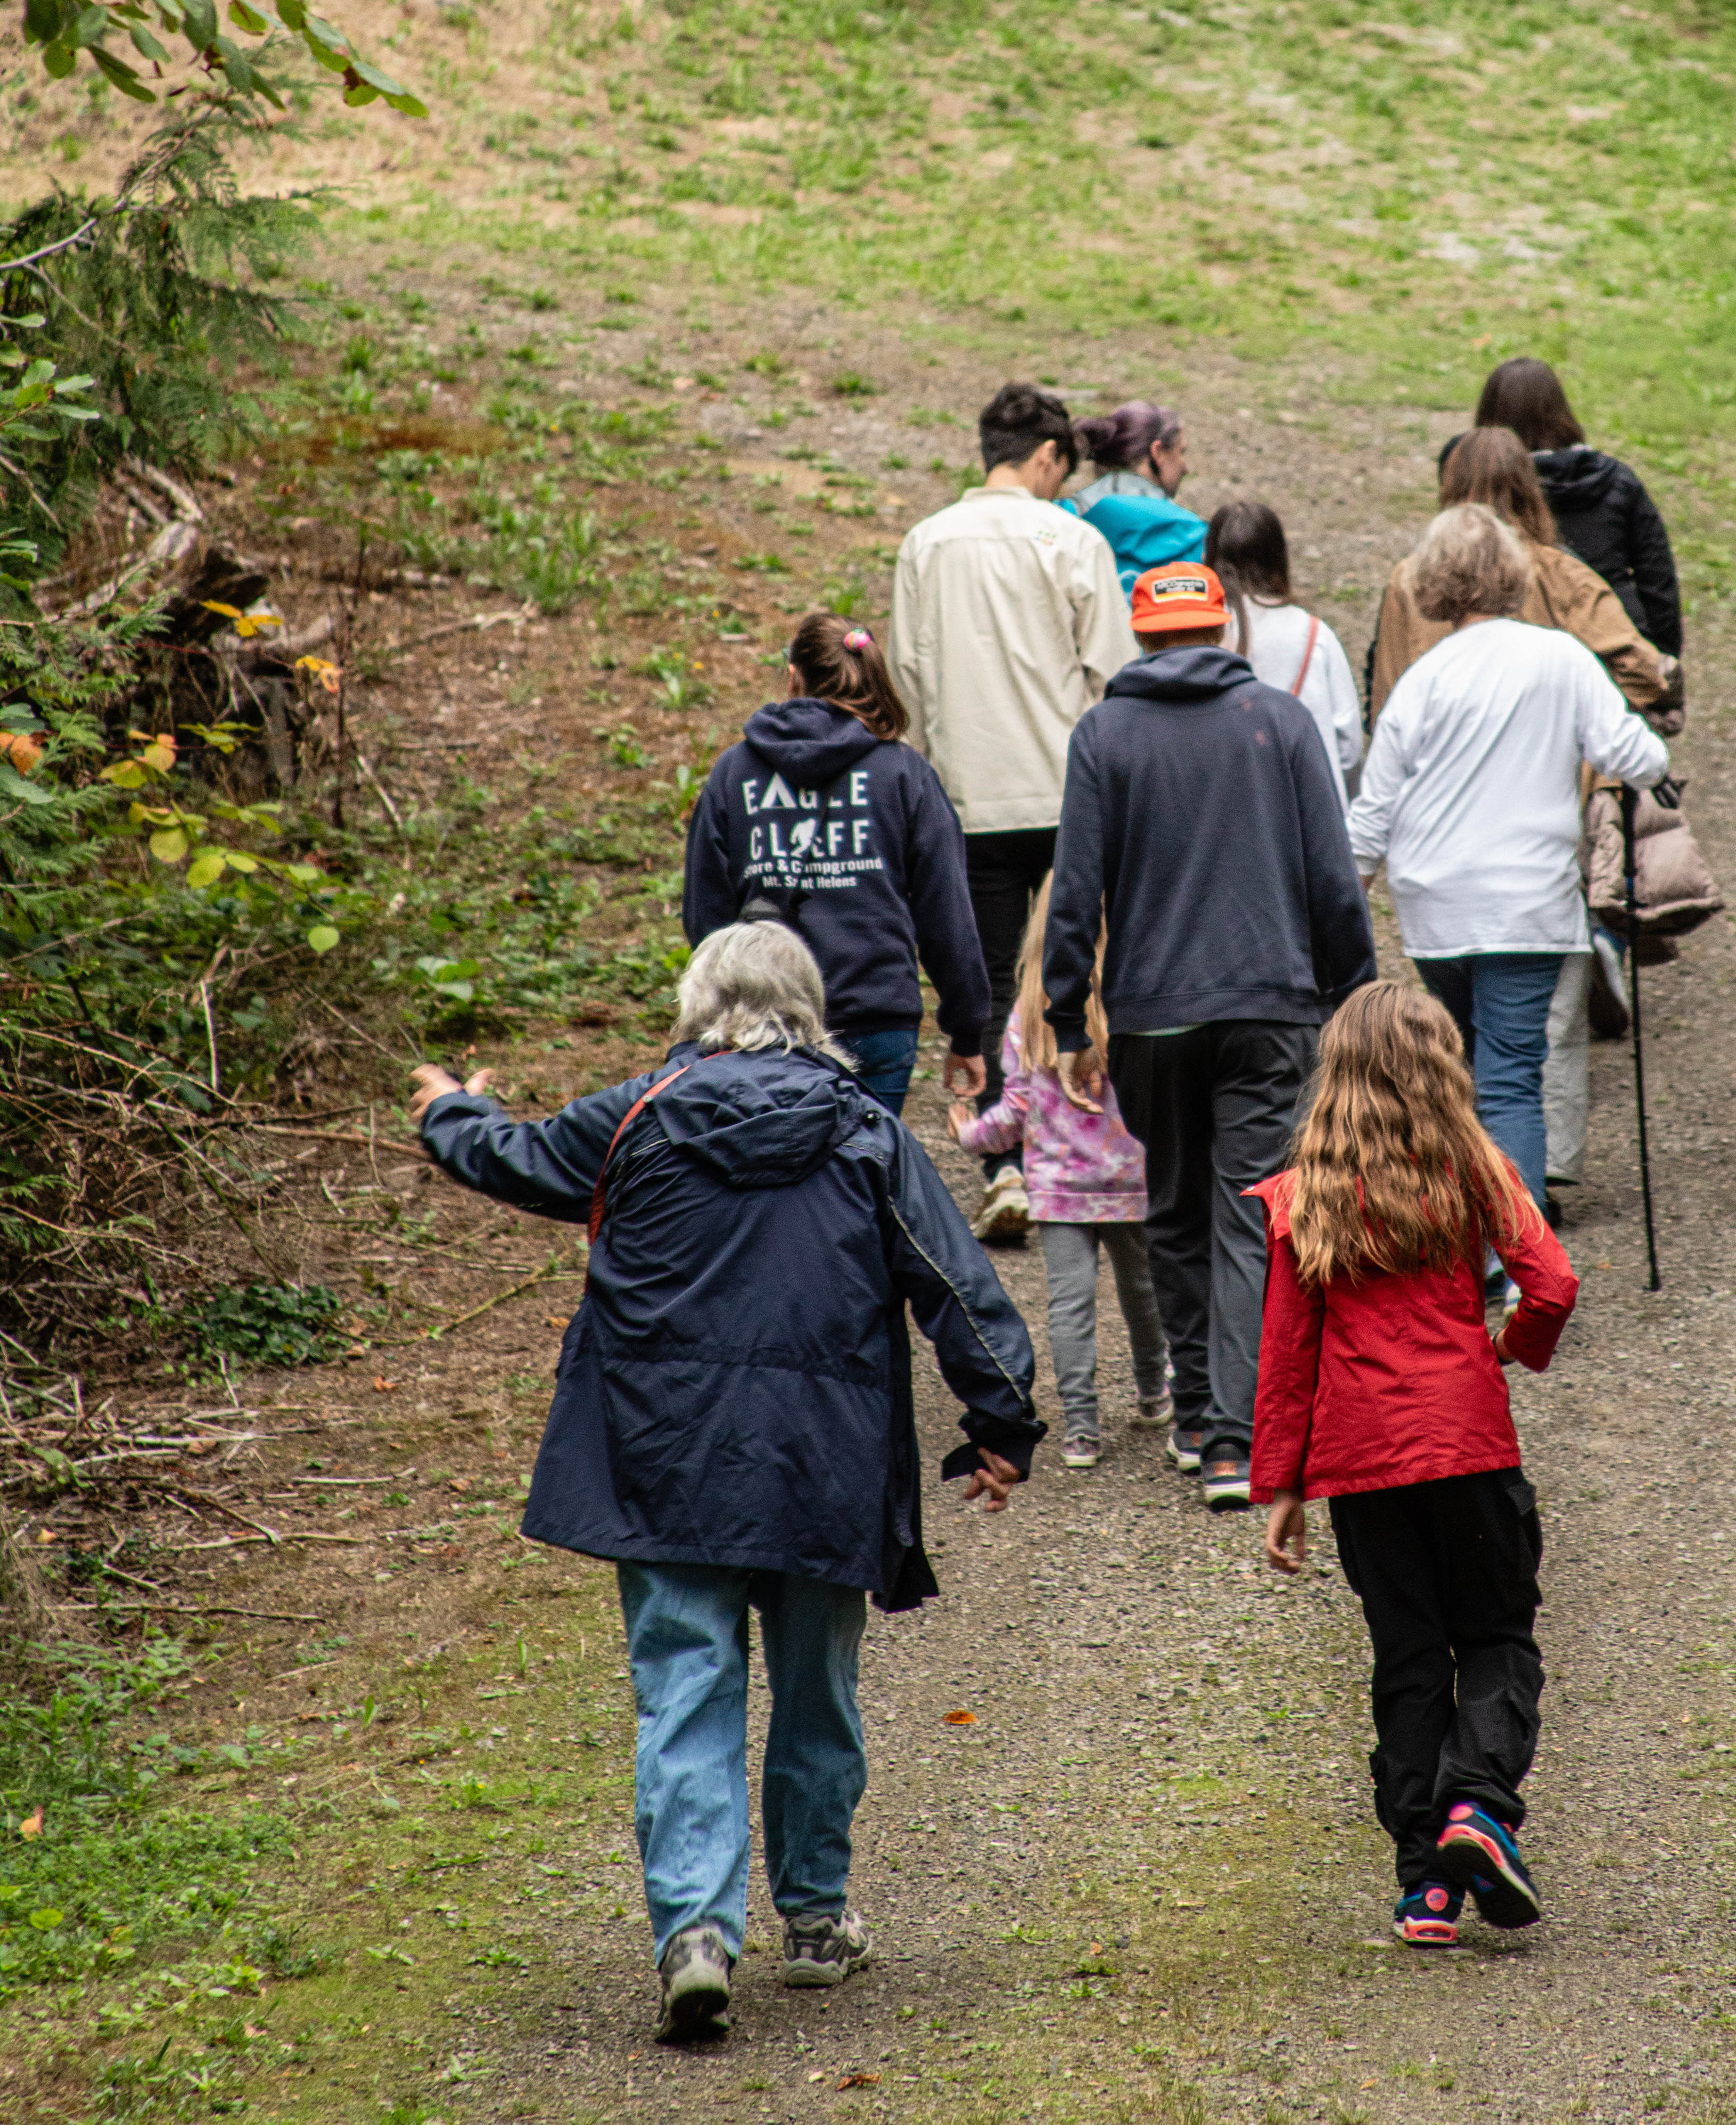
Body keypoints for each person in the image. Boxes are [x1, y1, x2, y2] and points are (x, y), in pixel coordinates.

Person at [407, 923, 1043, 2042]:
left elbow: (508, 1155)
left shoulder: (635, 1115)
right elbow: (953, 1277)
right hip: (821, 1459)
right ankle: (811, 1917)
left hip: (661, 1455)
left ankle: (697, 1932)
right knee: (815, 1691)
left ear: (699, 1005)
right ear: (810, 1008)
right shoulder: (862, 1130)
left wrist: (450, 1104)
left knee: (685, 1685)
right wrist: (1000, 1416)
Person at [1250, 981, 1579, 1948]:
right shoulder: (1472, 1166)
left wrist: (1284, 1484)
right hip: (1469, 1444)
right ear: (1444, 1065)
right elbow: (1552, 1280)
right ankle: (1478, 1807)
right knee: (1497, 1635)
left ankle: (1425, 1886)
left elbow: (1287, 1350)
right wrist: (1512, 1346)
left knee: (1407, 1657)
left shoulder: (1305, 1191)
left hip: (1363, 1462)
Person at [1043, 561, 1377, 1510]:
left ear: (1141, 636)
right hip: (1269, 1009)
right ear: (1224, 630)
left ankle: (1196, 1416)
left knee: (1176, 1209)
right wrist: (1353, 992)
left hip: (1151, 1015)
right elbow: (1331, 876)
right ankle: (1233, 1440)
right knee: (1244, 1218)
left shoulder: (1105, 732)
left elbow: (1075, 890)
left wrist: (1070, 1014)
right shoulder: (1279, 721)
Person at [1348, 506, 1670, 1222]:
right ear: (1511, 575)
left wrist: (1348, 894)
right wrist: (1656, 758)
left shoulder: (1423, 679)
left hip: (1435, 904)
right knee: (1512, 1080)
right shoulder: (1559, 658)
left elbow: (1374, 805)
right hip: (1526, 903)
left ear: (1434, 582)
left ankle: (1468, 1244)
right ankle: (1517, 1261)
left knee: (1462, 1075)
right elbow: (1632, 754)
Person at [889, 382, 1133, 1242]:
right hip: (1071, 791)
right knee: (1085, 966)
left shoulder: (925, 543)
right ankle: (1094, 1143)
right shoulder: (1071, 536)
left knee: (991, 980)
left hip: (971, 794)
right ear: (1046, 458)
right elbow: (1112, 671)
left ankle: (1005, 1165)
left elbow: (906, 676)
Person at [681, 612, 989, 1118]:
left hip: (761, 1024)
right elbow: (947, 913)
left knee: (777, 1176)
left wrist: (722, 1010)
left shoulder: (735, 772)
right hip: (877, 1018)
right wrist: (967, 1029)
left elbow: (706, 914)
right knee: (864, 1176)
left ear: (793, 676)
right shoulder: (903, 773)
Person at [949, 872, 1171, 1470]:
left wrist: (970, 1134)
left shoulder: (1028, 1013)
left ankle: (1080, 1428)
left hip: (1057, 1188)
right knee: (1143, 1292)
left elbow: (1015, 1110)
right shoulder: (1137, 995)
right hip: (1131, 1181)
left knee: (1068, 1305)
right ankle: (1154, 1392)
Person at [1367, 426, 1679, 727]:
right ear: (1527, 489)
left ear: (1450, 487)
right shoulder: (1562, 574)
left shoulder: (1411, 577)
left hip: (1443, 763)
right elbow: (1645, 673)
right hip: (1545, 765)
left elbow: (1390, 697)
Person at [1467, 356, 1684, 658]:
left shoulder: (1486, 486)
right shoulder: (1618, 480)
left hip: (1523, 649)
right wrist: (1660, 659)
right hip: (1614, 642)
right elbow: (1657, 579)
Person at [1204, 499, 1363, 808]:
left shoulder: (1205, 634)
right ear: (1278, 558)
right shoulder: (1315, 636)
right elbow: (1349, 744)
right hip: (1306, 807)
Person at [1063, 399, 1207, 596]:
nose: (1186, 468)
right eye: (1181, 452)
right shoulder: (1196, 535)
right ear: (1158, 453)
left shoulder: (1058, 521)